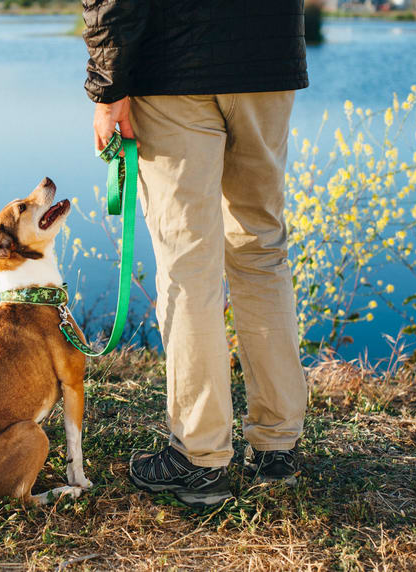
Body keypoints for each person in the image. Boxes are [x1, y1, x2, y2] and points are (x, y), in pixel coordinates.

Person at [81, 0, 310, 507]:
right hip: (267, 57)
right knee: (261, 248)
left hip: (173, 65)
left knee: (188, 265)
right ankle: (278, 447)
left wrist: (107, 87)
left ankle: (201, 459)